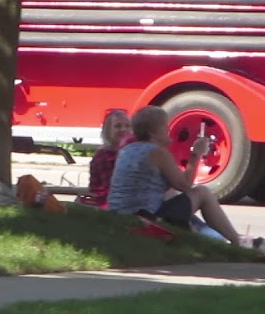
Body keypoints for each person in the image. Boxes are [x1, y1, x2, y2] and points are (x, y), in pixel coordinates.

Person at [108, 106, 257, 248]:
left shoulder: (125, 151)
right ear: (153, 132)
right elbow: (185, 185)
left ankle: (222, 237)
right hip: (147, 218)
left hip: (120, 215)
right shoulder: (158, 153)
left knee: (174, 197)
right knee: (202, 193)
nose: (168, 129)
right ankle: (237, 241)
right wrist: (196, 154)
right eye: (164, 126)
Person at [82, 108, 133, 207]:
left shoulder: (131, 151)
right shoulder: (103, 156)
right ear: (108, 130)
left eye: (127, 126)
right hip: (108, 203)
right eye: (118, 126)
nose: (123, 129)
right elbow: (109, 187)